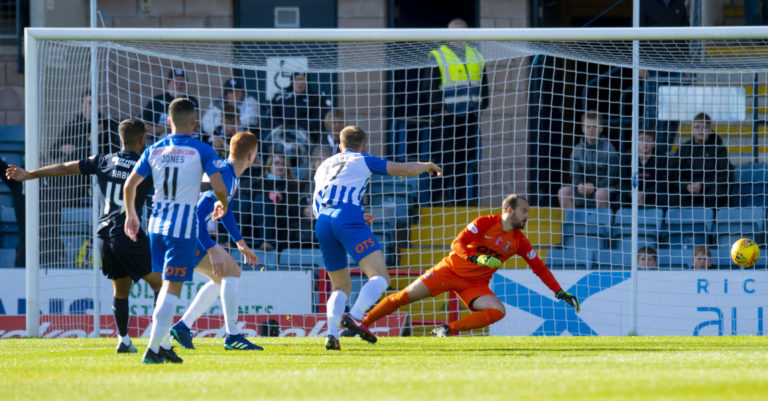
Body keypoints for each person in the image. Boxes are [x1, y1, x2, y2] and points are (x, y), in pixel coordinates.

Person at [6, 118, 162, 353]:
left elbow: (65, 167)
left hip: (102, 237)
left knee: (121, 290)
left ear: (121, 139)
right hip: (128, 234)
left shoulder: (103, 160)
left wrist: (30, 174)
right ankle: (159, 341)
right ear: (142, 140)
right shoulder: (144, 165)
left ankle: (124, 340)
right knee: (162, 285)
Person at [361, 194, 580, 337]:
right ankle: (363, 323)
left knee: (497, 311)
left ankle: (447, 329)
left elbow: (539, 268)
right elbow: (457, 244)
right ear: (509, 210)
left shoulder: (519, 241)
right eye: (524, 211)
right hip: (448, 271)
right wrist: (476, 258)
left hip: (474, 284)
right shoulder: (485, 222)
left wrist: (559, 292)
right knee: (403, 297)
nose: (526, 216)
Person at [314, 125, 443, 350]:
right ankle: (354, 316)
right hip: (347, 215)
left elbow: (321, 200)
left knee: (339, 286)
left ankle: (331, 335)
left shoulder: (324, 165)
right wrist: (425, 166)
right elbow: (401, 169)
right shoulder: (362, 159)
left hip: (323, 220)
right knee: (381, 277)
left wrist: (354, 214)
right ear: (363, 145)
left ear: (339, 144)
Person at [124, 98, 229, 364]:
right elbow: (219, 186)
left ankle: (161, 347)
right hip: (182, 229)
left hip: (156, 227)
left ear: (168, 122)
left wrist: (131, 216)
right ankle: (152, 349)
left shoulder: (154, 149)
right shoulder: (202, 150)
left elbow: (129, 186)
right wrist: (222, 204)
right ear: (193, 122)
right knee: (171, 290)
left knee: (164, 288)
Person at [170, 131, 263, 351]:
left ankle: (184, 327)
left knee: (222, 278)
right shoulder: (226, 176)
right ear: (251, 156)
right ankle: (233, 336)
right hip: (184, 231)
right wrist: (211, 248)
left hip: (180, 229)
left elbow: (225, 209)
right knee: (232, 273)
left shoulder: (227, 172)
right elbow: (194, 215)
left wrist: (240, 242)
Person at [426, 18, 489, 206]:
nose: (460, 37)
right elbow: (428, 87)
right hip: (446, 118)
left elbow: (484, 84)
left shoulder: (476, 55)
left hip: (469, 117)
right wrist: (440, 108)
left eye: (464, 33)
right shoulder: (438, 55)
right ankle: (439, 201)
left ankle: (460, 201)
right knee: (443, 160)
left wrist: (481, 104)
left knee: (464, 161)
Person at [639, 0, 690, 156]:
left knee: (673, 112)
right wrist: (640, 62)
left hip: (675, 65)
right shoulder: (644, 3)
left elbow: (686, 35)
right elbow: (637, 33)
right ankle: (650, 153)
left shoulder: (679, 4)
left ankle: (665, 150)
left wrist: (686, 64)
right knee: (652, 112)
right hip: (653, 65)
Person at [558, 111, 619, 209]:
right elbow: (574, 174)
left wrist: (595, 185)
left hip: (603, 188)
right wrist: (579, 185)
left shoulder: (609, 148)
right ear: (583, 128)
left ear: (601, 128)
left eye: (595, 127)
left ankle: (601, 223)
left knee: (601, 194)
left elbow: (613, 176)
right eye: (588, 127)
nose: (591, 130)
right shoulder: (577, 150)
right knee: (564, 192)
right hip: (583, 189)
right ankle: (572, 223)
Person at [671, 113, 731, 208]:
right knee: (672, 198)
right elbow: (673, 174)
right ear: (692, 129)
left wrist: (702, 185)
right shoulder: (683, 149)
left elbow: (724, 175)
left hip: (710, 189)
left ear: (710, 130)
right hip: (688, 189)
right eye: (697, 127)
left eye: (704, 127)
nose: (700, 130)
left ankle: (711, 222)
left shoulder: (719, 149)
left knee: (716, 196)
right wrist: (686, 186)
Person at [270, 72, 329, 144]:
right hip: (282, 135)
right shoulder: (280, 96)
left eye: (303, 79)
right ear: (292, 81)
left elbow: (319, 119)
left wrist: (298, 128)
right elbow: (271, 117)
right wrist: (285, 127)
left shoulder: (316, 98)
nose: (300, 82)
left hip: (308, 137)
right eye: (297, 79)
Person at [618, 130, 671, 208]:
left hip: (652, 194)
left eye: (648, 140)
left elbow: (663, 183)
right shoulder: (626, 157)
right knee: (619, 198)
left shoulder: (661, 158)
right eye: (641, 140)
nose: (645, 143)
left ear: (654, 143)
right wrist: (633, 193)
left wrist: (645, 193)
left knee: (664, 198)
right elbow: (623, 182)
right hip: (632, 194)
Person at [142, 68, 200, 138]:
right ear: (168, 83)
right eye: (176, 82)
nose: (179, 85)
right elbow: (143, 119)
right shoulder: (157, 100)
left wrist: (157, 129)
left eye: (182, 82)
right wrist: (147, 128)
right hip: (155, 138)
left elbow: (192, 126)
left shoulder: (191, 101)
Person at [0, 158, 25, 267]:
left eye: (39, 160)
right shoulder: (18, 182)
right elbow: (2, 168)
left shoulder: (52, 183)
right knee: (20, 276)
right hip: (26, 240)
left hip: (50, 239)